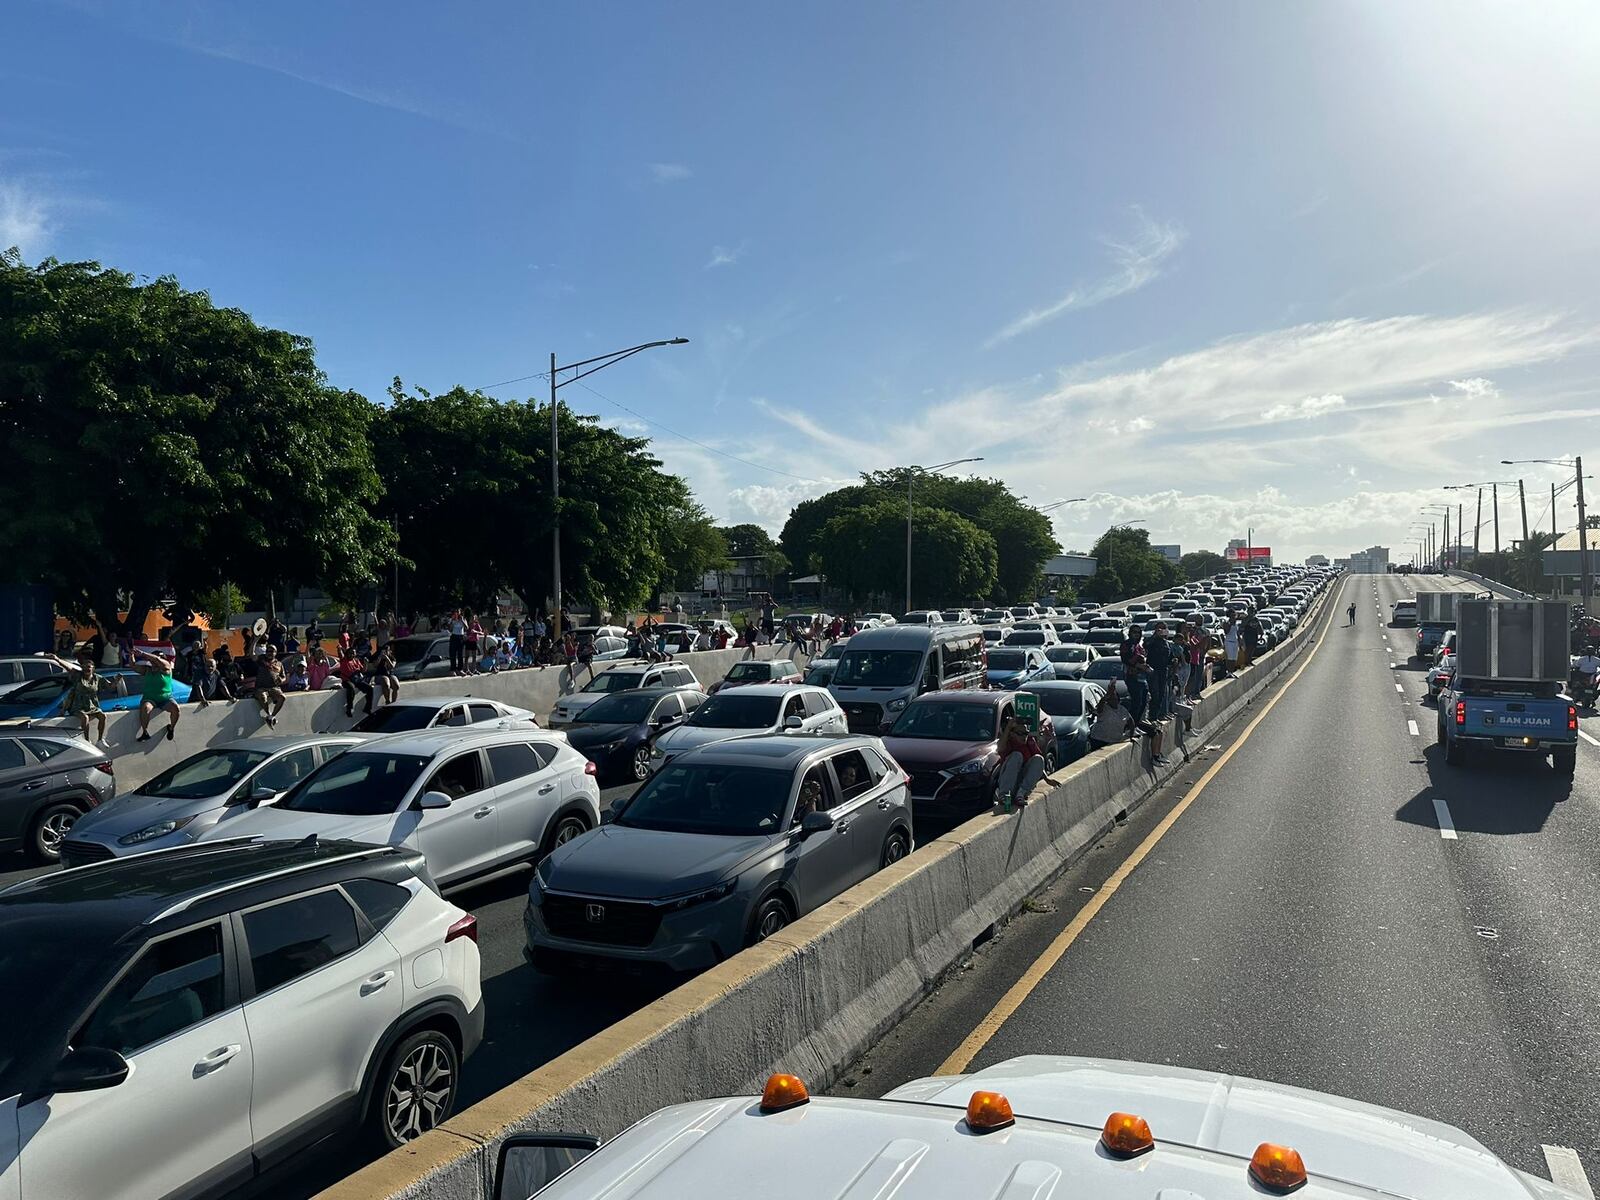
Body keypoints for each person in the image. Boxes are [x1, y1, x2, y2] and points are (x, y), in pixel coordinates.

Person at [51, 652, 107, 742]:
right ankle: (87, 740)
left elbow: (111, 686)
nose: (86, 669)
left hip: (92, 706)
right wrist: (57, 659)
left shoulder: (98, 678)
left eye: (88, 667)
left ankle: (100, 740)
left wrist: (116, 681)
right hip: (78, 706)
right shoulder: (78, 676)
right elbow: (68, 668)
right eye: (84, 667)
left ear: (93, 668)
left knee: (103, 716)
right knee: (85, 718)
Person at [994, 715, 1046, 808]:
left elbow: (1038, 763)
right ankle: (1004, 795)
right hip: (1008, 781)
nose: (1024, 737)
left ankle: (1021, 794)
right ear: (1012, 733)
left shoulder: (1029, 742)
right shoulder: (1008, 742)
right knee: (1017, 755)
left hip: (1021, 782)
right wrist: (1008, 728)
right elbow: (1000, 748)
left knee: (1039, 758)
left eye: (1026, 733)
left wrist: (1047, 779)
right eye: (1020, 733)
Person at [132, 647, 180, 742]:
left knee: (176, 708)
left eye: (157, 659)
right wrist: (131, 655)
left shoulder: (167, 668)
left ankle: (171, 728)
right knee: (146, 708)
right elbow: (133, 666)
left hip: (165, 698)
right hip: (150, 698)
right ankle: (145, 732)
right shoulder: (147, 670)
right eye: (152, 660)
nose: (154, 662)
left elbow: (157, 660)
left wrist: (142, 653)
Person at [1143, 621, 1174, 721]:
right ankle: (1152, 717)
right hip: (1153, 671)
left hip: (1163, 671)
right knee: (1154, 694)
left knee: (1161, 694)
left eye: (1163, 628)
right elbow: (1145, 645)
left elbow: (1169, 658)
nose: (1161, 631)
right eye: (1159, 629)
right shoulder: (1151, 641)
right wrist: (1155, 636)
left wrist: (1173, 661)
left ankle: (1156, 716)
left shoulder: (1167, 644)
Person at [254, 646, 287, 729]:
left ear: (275, 653)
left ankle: (272, 716)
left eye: (272, 651)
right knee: (262, 696)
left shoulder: (279, 664)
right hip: (261, 687)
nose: (270, 653)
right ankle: (269, 715)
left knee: (282, 697)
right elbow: (252, 654)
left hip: (274, 687)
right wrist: (255, 640)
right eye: (268, 651)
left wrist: (281, 680)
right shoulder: (261, 659)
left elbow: (284, 677)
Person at [336, 648, 374, 718]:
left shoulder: (356, 660)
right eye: (350, 653)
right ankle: (349, 708)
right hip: (347, 680)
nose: (352, 655)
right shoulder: (344, 660)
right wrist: (339, 649)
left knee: (370, 688)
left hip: (356, 680)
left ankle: (367, 708)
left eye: (353, 653)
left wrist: (366, 663)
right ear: (347, 654)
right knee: (351, 688)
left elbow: (363, 671)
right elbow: (340, 654)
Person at [447, 609, 468, 676]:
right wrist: (452, 622)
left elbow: (466, 628)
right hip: (454, 636)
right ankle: (453, 669)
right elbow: (450, 629)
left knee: (460, 654)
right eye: (456, 612)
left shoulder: (463, 619)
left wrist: (462, 620)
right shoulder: (452, 620)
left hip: (460, 637)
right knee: (453, 654)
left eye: (458, 612)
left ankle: (460, 669)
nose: (457, 614)